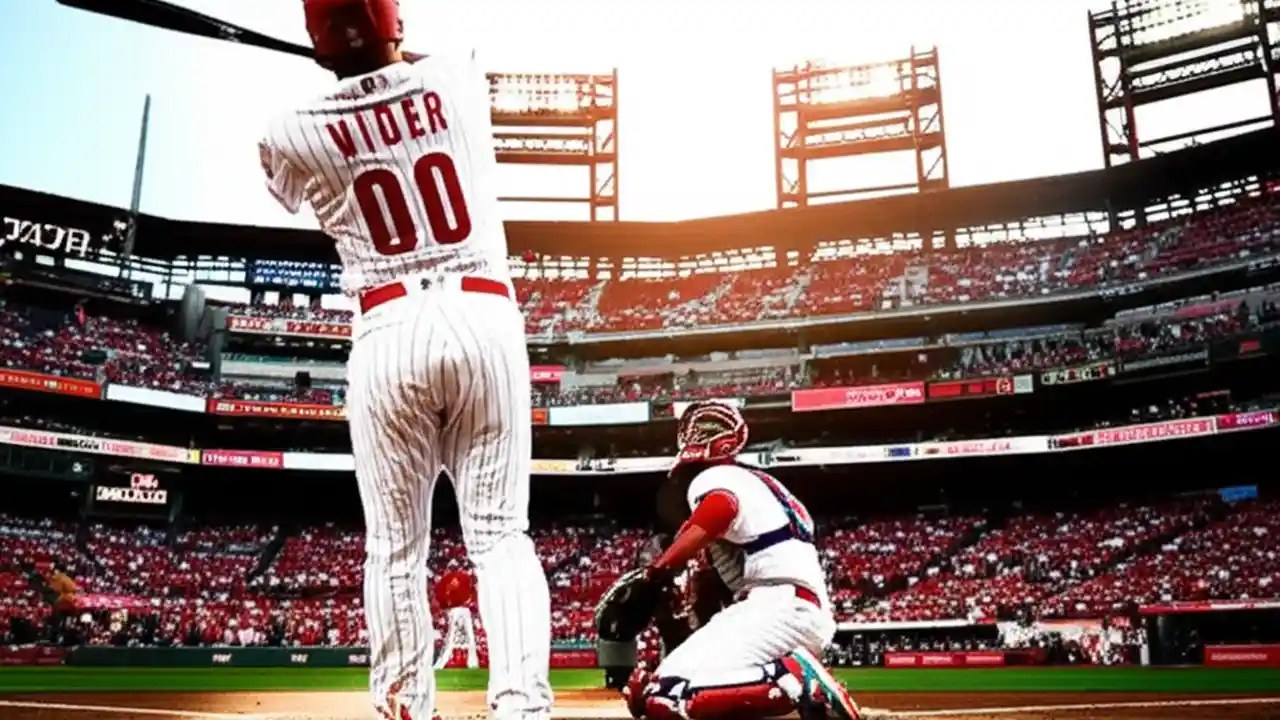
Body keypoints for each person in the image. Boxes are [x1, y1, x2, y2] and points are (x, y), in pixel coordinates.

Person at [256, 2, 552, 718]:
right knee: (501, 538)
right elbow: (409, 64)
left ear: (318, 44)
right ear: (396, 23)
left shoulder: (286, 128)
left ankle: (405, 708)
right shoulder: (456, 76)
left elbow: (287, 190)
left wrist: (344, 74)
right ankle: (522, 708)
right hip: (484, 314)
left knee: (394, 549)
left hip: (386, 328)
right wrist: (375, 64)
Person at [626, 401, 861, 720]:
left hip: (776, 607)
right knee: (670, 690)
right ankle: (798, 690)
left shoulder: (717, 476)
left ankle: (799, 681)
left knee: (665, 697)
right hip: (789, 608)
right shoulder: (762, 486)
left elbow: (721, 508)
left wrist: (657, 571)